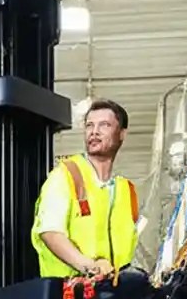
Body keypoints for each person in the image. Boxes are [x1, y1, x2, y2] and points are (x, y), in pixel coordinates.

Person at [30, 99, 142, 278]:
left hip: (115, 290)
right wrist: (90, 267)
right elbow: (50, 232)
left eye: (104, 125)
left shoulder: (125, 190)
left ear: (122, 133)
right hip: (71, 290)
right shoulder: (66, 176)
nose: (94, 131)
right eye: (90, 125)